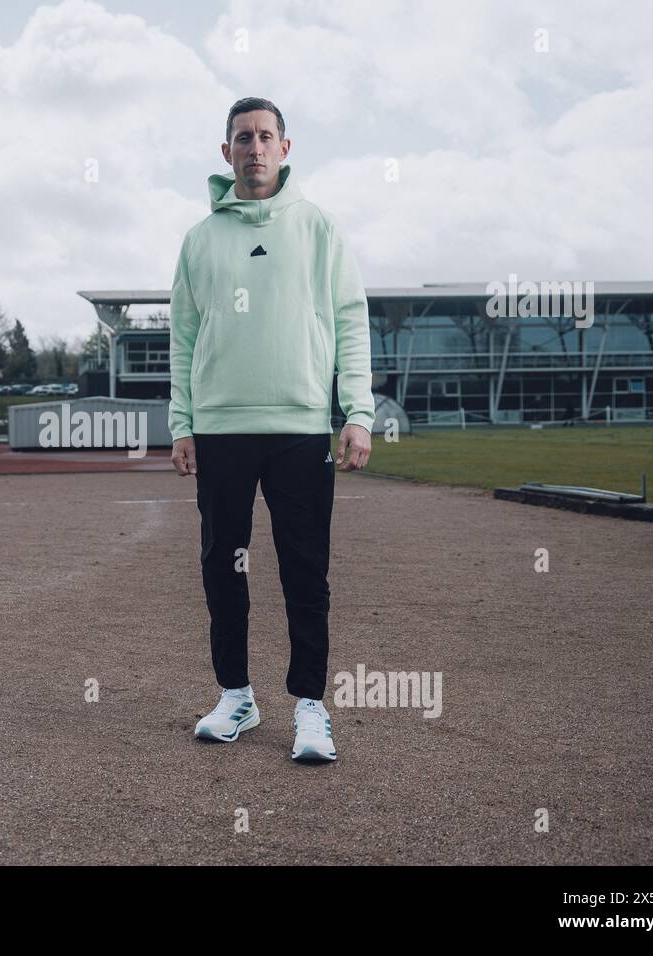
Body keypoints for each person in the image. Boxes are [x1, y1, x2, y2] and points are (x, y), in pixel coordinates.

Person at [168, 97, 374, 762]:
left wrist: (359, 414)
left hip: (301, 426)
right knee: (221, 567)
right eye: (241, 138)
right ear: (225, 153)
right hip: (222, 427)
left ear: (286, 147)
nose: (254, 148)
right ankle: (236, 697)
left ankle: (310, 709)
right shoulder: (199, 240)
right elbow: (183, 336)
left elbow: (350, 323)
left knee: (304, 570)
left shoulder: (319, 230)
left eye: (265, 136)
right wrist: (182, 423)